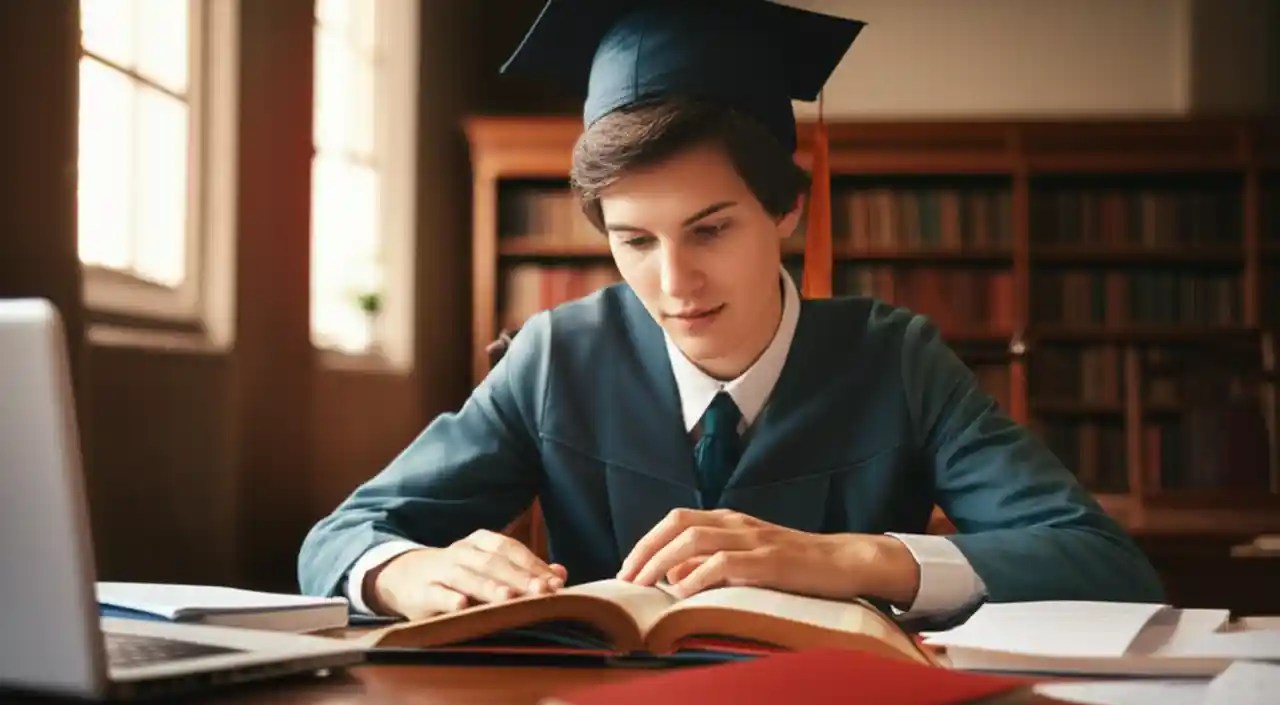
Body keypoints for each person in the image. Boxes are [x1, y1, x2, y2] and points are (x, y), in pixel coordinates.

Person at [298, 0, 1164, 625]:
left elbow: (1107, 565)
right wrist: (405, 572)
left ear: (788, 207)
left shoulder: (894, 359)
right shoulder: (558, 355)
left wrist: (850, 559)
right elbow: (340, 539)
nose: (674, 282)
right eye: (635, 241)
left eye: (710, 229)